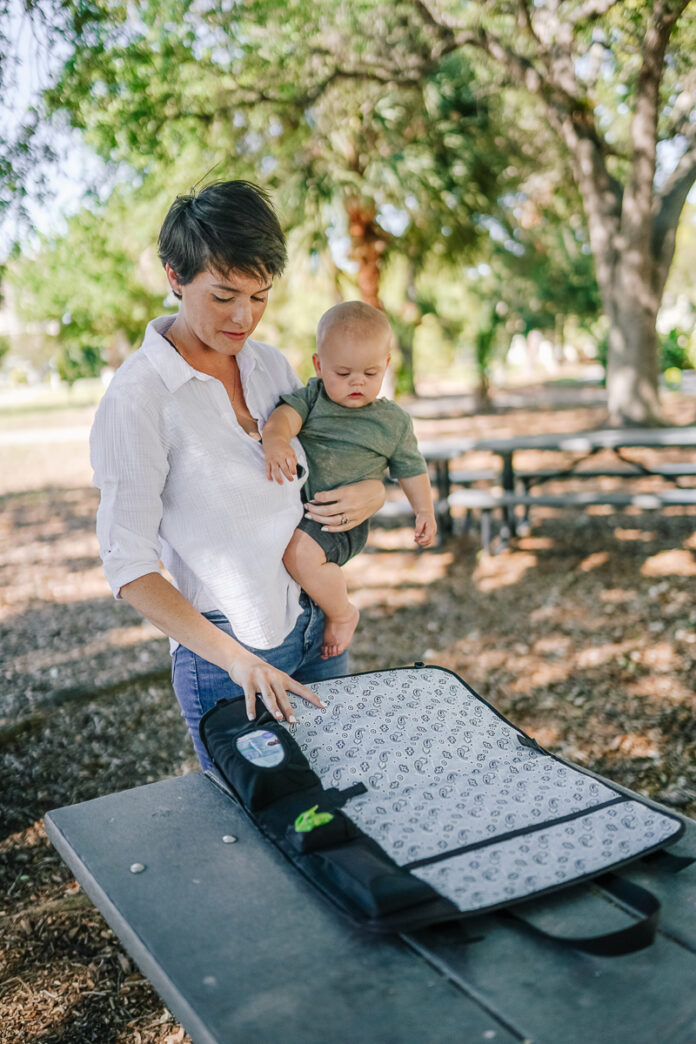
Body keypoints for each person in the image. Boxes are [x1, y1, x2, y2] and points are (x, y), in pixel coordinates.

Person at [89, 180, 385, 770]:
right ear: (175, 276)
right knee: (264, 829)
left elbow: (339, 453)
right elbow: (128, 563)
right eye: (224, 296)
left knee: (342, 799)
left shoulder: (269, 364)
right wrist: (235, 659)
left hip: (314, 627)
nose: (244, 316)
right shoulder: (138, 399)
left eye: (260, 295)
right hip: (228, 654)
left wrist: (374, 490)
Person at [262, 300, 437, 660]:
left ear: (387, 365)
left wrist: (425, 511)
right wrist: (276, 439)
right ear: (319, 365)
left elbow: (411, 468)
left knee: (299, 555)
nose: (357, 382)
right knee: (296, 549)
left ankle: (342, 613)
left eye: (370, 374)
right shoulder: (314, 397)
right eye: (343, 373)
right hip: (306, 512)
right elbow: (284, 417)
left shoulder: (392, 422)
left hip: (343, 523)